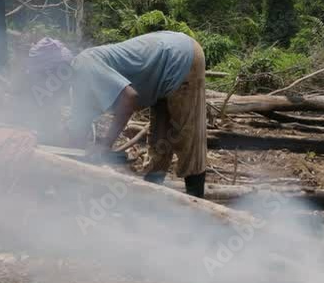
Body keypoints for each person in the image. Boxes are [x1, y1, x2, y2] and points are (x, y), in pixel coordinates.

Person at [22, 31, 207, 198]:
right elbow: (76, 139)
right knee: (160, 142)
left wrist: (105, 145)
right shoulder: (78, 91)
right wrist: (54, 153)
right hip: (163, 66)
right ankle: (152, 201)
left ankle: (198, 205)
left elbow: (129, 98)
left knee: (187, 135)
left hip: (180, 56)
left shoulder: (84, 65)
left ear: (52, 72)